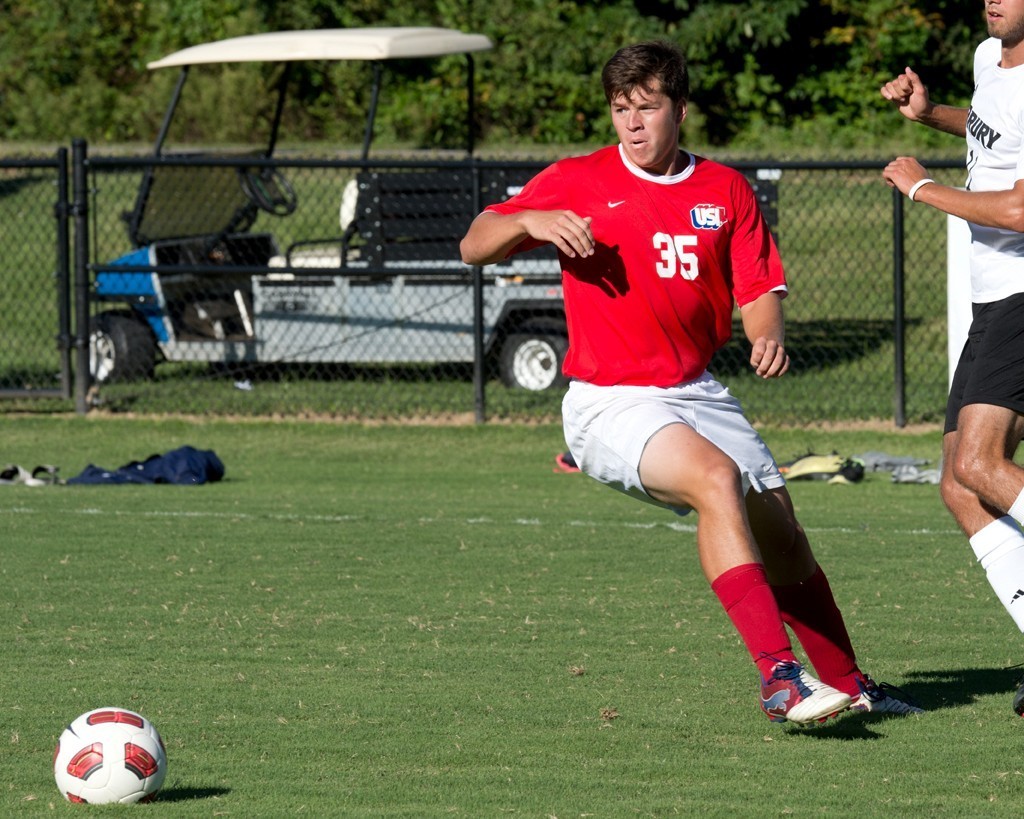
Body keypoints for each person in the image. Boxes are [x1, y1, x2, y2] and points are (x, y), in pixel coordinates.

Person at [462, 40, 921, 724]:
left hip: (697, 390)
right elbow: (475, 241)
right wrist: (528, 219)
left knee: (784, 535)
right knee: (715, 479)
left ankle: (851, 682)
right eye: (621, 110)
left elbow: (759, 287)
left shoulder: (724, 189)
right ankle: (779, 678)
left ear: (681, 108)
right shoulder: (578, 178)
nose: (633, 124)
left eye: (647, 108)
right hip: (610, 398)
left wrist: (767, 331)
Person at [880, 0, 1024, 716]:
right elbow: (991, 136)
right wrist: (932, 114)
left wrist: (921, 188)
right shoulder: (984, 59)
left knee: (979, 463)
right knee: (959, 485)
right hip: (991, 300)